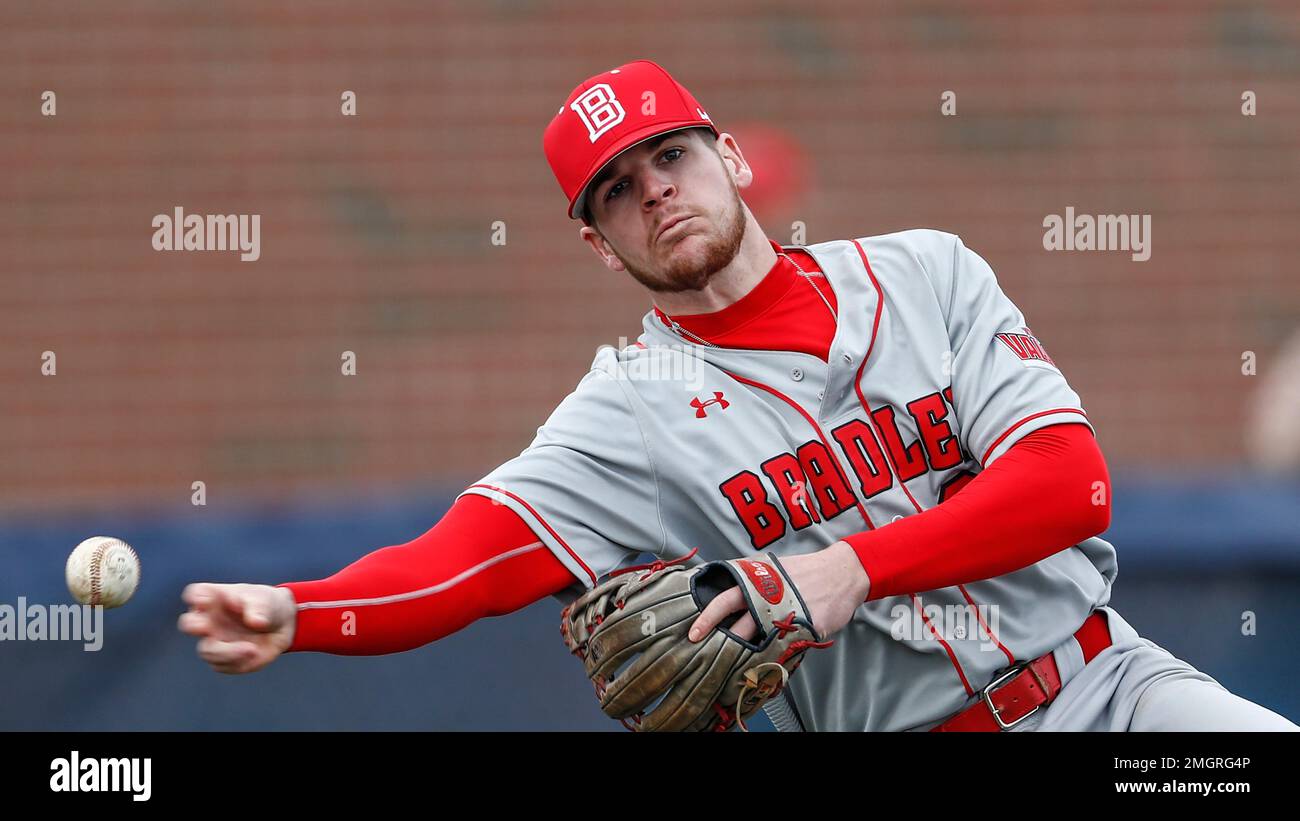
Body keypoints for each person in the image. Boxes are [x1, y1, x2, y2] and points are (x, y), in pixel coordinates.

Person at [178, 59, 1297, 732]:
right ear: (598, 246)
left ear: (730, 157)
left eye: (668, 155)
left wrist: (844, 567)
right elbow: (458, 564)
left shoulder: (921, 273)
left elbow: (1071, 485)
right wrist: (299, 611)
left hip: (1109, 694)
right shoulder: (627, 410)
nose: (653, 191)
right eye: (615, 190)